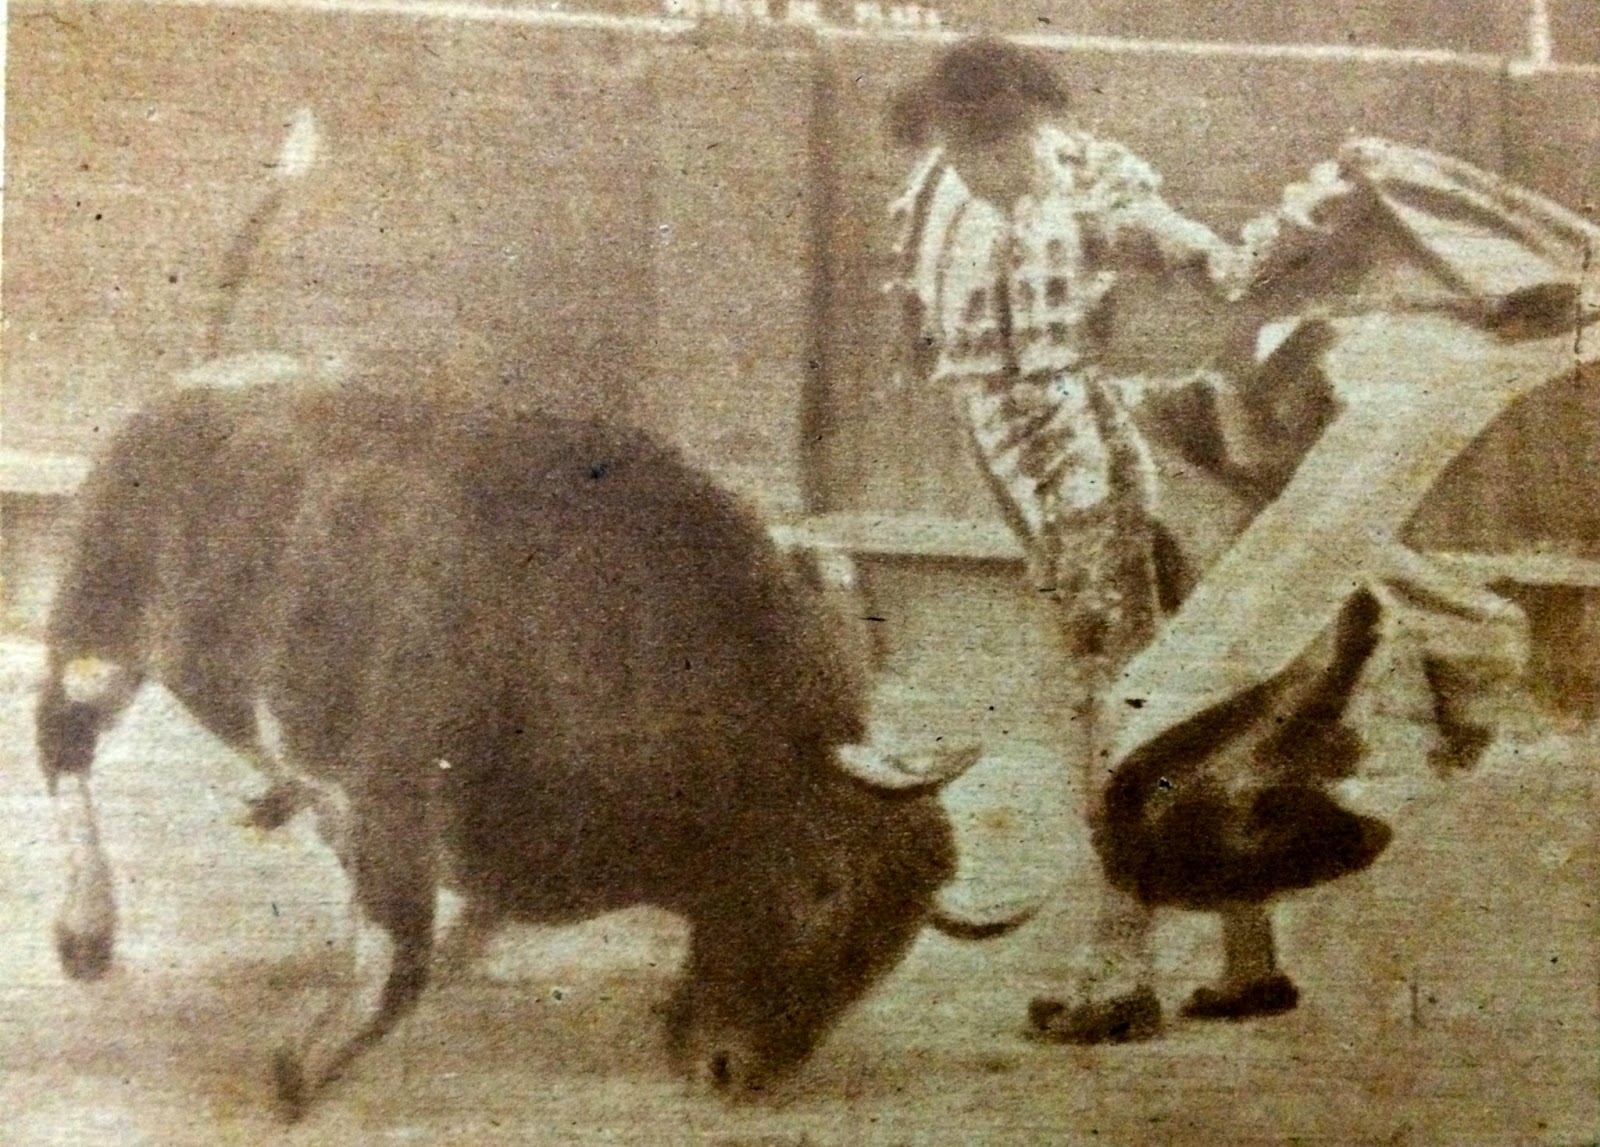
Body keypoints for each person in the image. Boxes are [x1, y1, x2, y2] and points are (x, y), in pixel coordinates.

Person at [881, 38, 1528, 1044]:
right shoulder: (933, 192)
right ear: (951, 132)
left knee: (1127, 708)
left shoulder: (1073, 172)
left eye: (1018, 138)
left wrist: (1232, 239)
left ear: (1033, 121)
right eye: (984, 143)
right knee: (1188, 692)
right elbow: (934, 344)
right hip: (1070, 473)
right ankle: (1247, 958)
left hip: (1092, 482)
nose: (1008, 161)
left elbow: (1162, 239)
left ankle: (1119, 972)